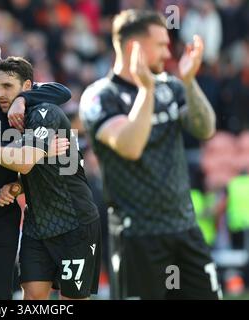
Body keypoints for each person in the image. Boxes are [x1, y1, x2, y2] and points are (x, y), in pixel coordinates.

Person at [79, 9, 220, 299]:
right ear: (134, 48)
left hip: (185, 229)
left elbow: (205, 129)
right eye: (160, 44)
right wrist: (145, 90)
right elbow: (130, 146)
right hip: (138, 237)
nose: (168, 51)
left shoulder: (170, 86)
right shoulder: (101, 96)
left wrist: (190, 82)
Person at [0, 56, 101, 300]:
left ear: (27, 87)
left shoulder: (45, 113)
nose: (0, 93)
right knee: (32, 298)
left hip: (75, 222)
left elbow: (24, 162)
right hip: (37, 225)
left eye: (8, 86)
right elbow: (37, 168)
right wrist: (17, 186)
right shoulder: (14, 120)